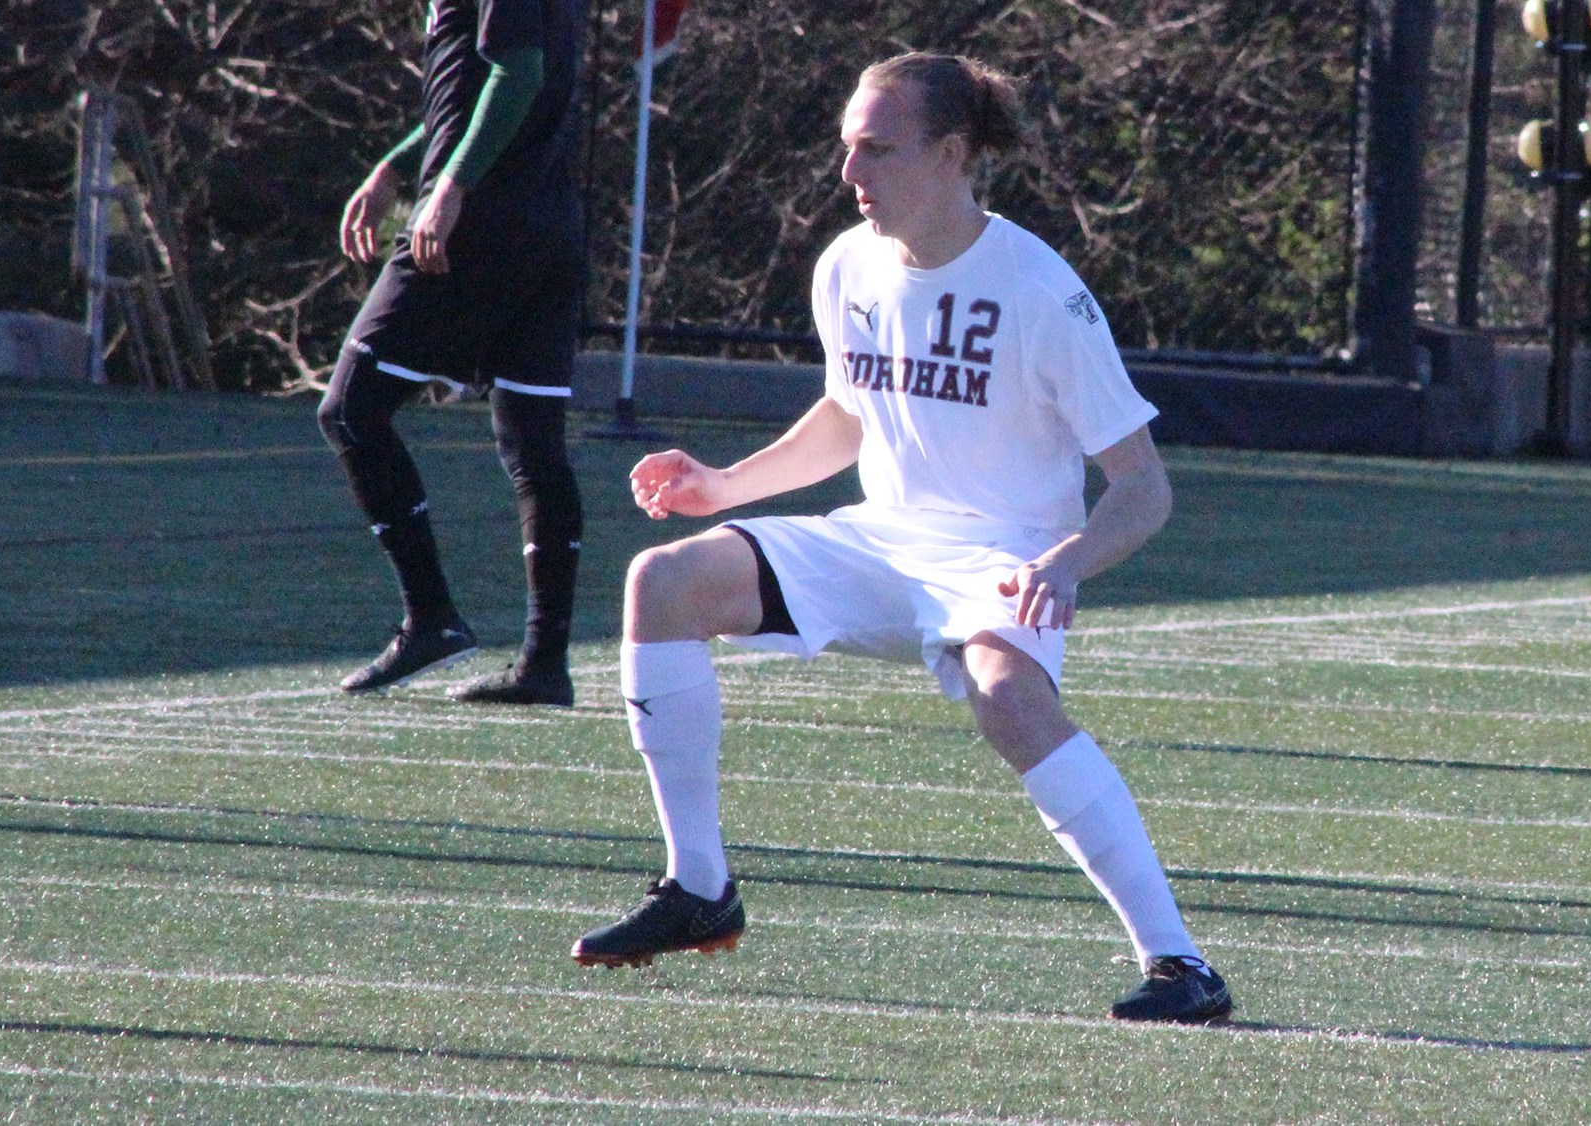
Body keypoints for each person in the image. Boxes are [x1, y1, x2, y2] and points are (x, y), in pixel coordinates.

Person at [571, 52, 1231, 1024]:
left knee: (1009, 696)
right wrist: (723, 485)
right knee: (661, 582)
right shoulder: (845, 266)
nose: (851, 174)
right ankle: (698, 888)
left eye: (877, 150)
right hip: (877, 543)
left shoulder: (1042, 294)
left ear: (951, 154)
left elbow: (1143, 487)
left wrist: (1065, 560)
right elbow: (848, 415)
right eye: (847, 148)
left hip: (1001, 554)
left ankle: (1180, 963)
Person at [317, 0, 588, 705]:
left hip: (479, 229)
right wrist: (397, 166)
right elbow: (472, 91)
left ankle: (431, 618)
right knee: (534, 445)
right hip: (549, 228)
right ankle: (544, 663)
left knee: (350, 409)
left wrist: (449, 186)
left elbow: (519, 76)